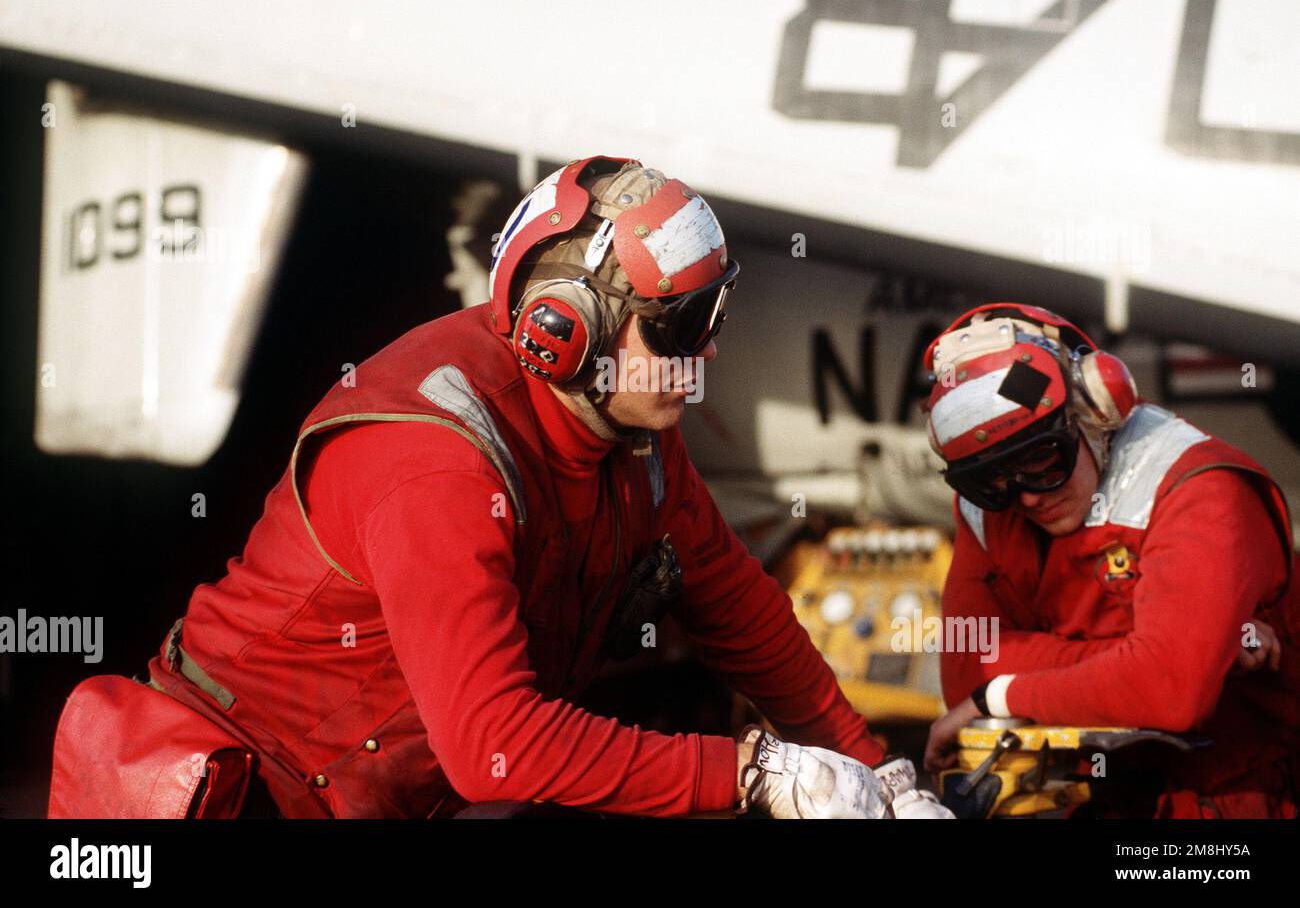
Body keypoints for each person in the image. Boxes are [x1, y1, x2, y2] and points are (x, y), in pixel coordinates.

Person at [50, 155, 950, 820]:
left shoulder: (632, 434)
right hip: (239, 796)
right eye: (681, 325)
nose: (708, 351)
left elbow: (739, 609)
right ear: (567, 331)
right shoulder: (437, 461)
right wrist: (753, 774)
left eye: (714, 316)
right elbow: (498, 746)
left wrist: (878, 774)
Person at [919, 302, 1300, 817]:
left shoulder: (1202, 488)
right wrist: (1159, 652)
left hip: (1251, 793)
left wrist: (1000, 697)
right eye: (993, 479)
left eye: (1041, 457)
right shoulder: (987, 508)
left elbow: (1169, 692)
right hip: (1108, 792)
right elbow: (967, 668)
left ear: (1095, 408)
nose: (1026, 497)